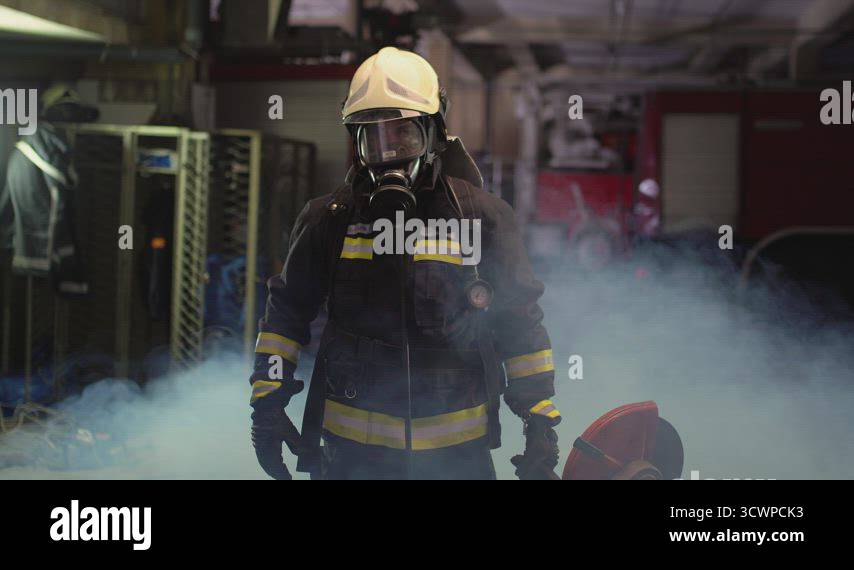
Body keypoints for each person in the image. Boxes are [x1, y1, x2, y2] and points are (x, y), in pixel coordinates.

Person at [249, 46, 560, 480]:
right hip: (352, 456)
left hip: (457, 457)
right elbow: (285, 315)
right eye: (372, 139)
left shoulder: (481, 218)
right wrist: (267, 401)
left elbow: (519, 323)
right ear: (356, 146)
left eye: (403, 135)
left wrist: (539, 417)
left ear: (433, 134)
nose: (389, 152)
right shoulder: (329, 220)